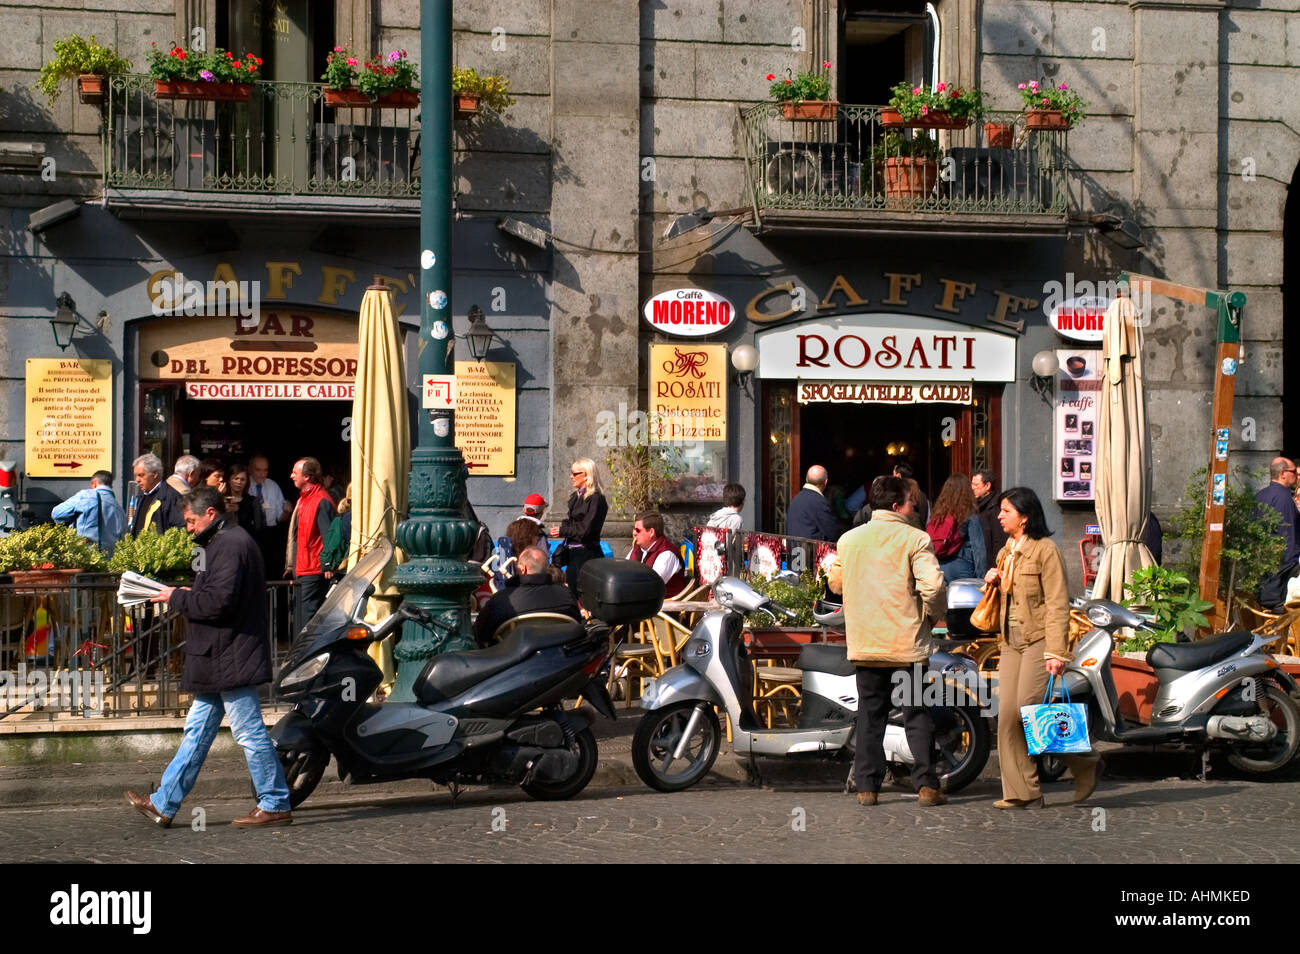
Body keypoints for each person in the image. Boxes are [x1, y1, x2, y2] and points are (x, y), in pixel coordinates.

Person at [125, 486, 292, 828]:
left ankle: (275, 801)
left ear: (211, 515)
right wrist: (188, 593)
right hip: (222, 654)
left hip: (230, 654)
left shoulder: (230, 545)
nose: (187, 527)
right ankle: (164, 802)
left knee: (248, 732)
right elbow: (217, 595)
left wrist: (175, 596)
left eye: (191, 521)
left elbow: (218, 604)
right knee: (197, 732)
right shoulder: (226, 542)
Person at [828, 475, 947, 808]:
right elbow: (934, 588)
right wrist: (930, 617)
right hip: (906, 644)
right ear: (897, 506)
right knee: (916, 714)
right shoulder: (915, 539)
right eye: (911, 502)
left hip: (867, 643)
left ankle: (868, 787)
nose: (915, 507)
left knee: (870, 714)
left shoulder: (849, 540)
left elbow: (835, 582)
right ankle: (926, 785)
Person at [983, 486, 1101, 808]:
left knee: (1029, 711)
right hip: (1009, 642)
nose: (999, 516)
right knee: (1007, 716)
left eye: (1006, 511)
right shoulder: (1006, 552)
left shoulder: (1046, 551)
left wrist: (1056, 652)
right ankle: (1024, 793)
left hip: (1038, 641)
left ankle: (1082, 762)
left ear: (1023, 517)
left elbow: (1058, 604)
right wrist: (993, 579)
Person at [472, 546, 583, 646]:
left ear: (523, 569)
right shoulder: (566, 595)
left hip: (513, 661)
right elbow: (577, 625)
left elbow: (481, 634)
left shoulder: (503, 599)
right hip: (557, 659)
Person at [286, 457, 337, 635]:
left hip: (313, 569)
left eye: (295, 472)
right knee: (300, 617)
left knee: (307, 619)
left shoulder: (320, 500)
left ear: (307, 477)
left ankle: (305, 658)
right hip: (304, 568)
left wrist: (328, 563)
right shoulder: (305, 500)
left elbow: (328, 535)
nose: (291, 475)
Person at [549, 458, 608, 592]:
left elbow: (585, 530)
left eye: (575, 474)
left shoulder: (596, 499)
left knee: (584, 593)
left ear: (587, 475)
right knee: (573, 591)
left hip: (587, 555)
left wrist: (563, 530)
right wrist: (563, 527)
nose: (571, 477)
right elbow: (572, 521)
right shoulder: (575, 497)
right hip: (573, 554)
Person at [927, 473, 987, 582]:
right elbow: (978, 549)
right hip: (963, 566)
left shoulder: (937, 515)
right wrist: (981, 579)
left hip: (939, 566)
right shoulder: (969, 514)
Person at [52, 470, 127, 557]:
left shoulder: (86, 496)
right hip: (109, 563)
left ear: (94, 483)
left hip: (84, 558)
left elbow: (57, 513)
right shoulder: (119, 509)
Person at [249, 454, 291, 578]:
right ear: (250, 469)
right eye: (258, 470)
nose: (262, 474)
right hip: (251, 534)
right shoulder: (245, 485)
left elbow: (280, 518)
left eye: (265, 470)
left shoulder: (273, 486)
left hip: (269, 535)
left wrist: (287, 512)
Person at [628, 511, 687, 598]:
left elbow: (652, 586)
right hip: (643, 601)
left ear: (651, 532)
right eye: (634, 529)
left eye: (638, 530)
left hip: (664, 607)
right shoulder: (639, 548)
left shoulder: (667, 554)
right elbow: (624, 572)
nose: (634, 533)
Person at [1255, 457, 1299, 569]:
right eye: (1294, 472)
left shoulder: (1260, 495)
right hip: (1282, 566)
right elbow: (1289, 534)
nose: (1297, 476)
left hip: (1262, 561)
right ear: (1283, 474)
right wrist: (1292, 567)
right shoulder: (1284, 498)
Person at [129, 453, 185, 536]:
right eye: (136, 476)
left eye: (141, 475)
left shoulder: (170, 496)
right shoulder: (141, 495)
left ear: (154, 474)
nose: (137, 480)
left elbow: (179, 527)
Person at [786, 465, 840, 541]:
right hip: (808, 551)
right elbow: (834, 534)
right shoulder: (819, 502)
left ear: (806, 479)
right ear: (826, 482)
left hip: (794, 550)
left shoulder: (796, 499)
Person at [320, 483, 352, 584]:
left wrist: (328, 565)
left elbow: (332, 543)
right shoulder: (345, 519)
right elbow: (332, 544)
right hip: (347, 571)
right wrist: (328, 565)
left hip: (345, 572)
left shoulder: (341, 519)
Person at [971, 469, 1008, 556]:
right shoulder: (974, 505)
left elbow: (999, 539)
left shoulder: (996, 506)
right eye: (972, 484)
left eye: (976, 485)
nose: (972, 487)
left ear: (987, 486)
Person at [223, 462, 264, 536]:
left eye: (242, 479)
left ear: (246, 482)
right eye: (236, 478)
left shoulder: (253, 501)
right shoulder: (221, 500)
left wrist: (238, 512)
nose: (239, 482)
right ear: (229, 480)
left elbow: (259, 528)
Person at [505, 493, 549, 558]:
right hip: (531, 566)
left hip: (513, 566)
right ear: (542, 511)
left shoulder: (513, 527)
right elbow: (543, 557)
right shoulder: (538, 531)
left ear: (524, 510)